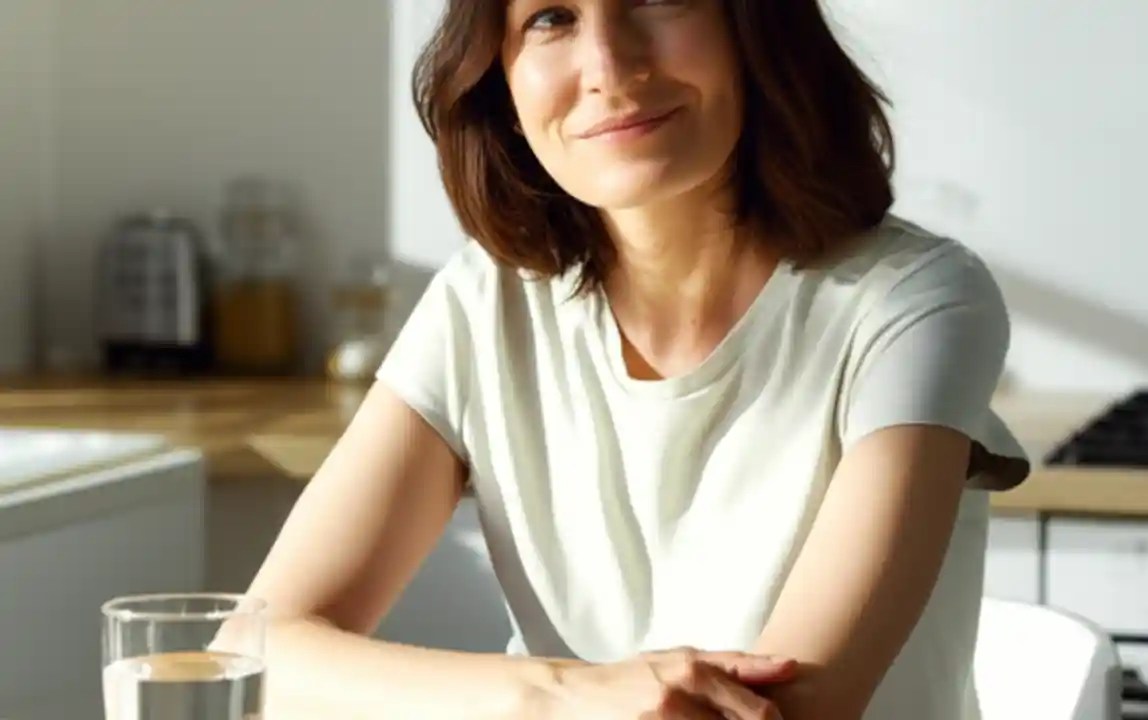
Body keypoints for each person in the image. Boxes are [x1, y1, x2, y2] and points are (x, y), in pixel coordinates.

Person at [244, 0, 1031, 717]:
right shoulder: (487, 301)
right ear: (501, 85)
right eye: (551, 18)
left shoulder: (912, 300)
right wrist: (555, 694)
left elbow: (786, 712)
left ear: (754, 30)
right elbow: (258, 654)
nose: (611, 67)